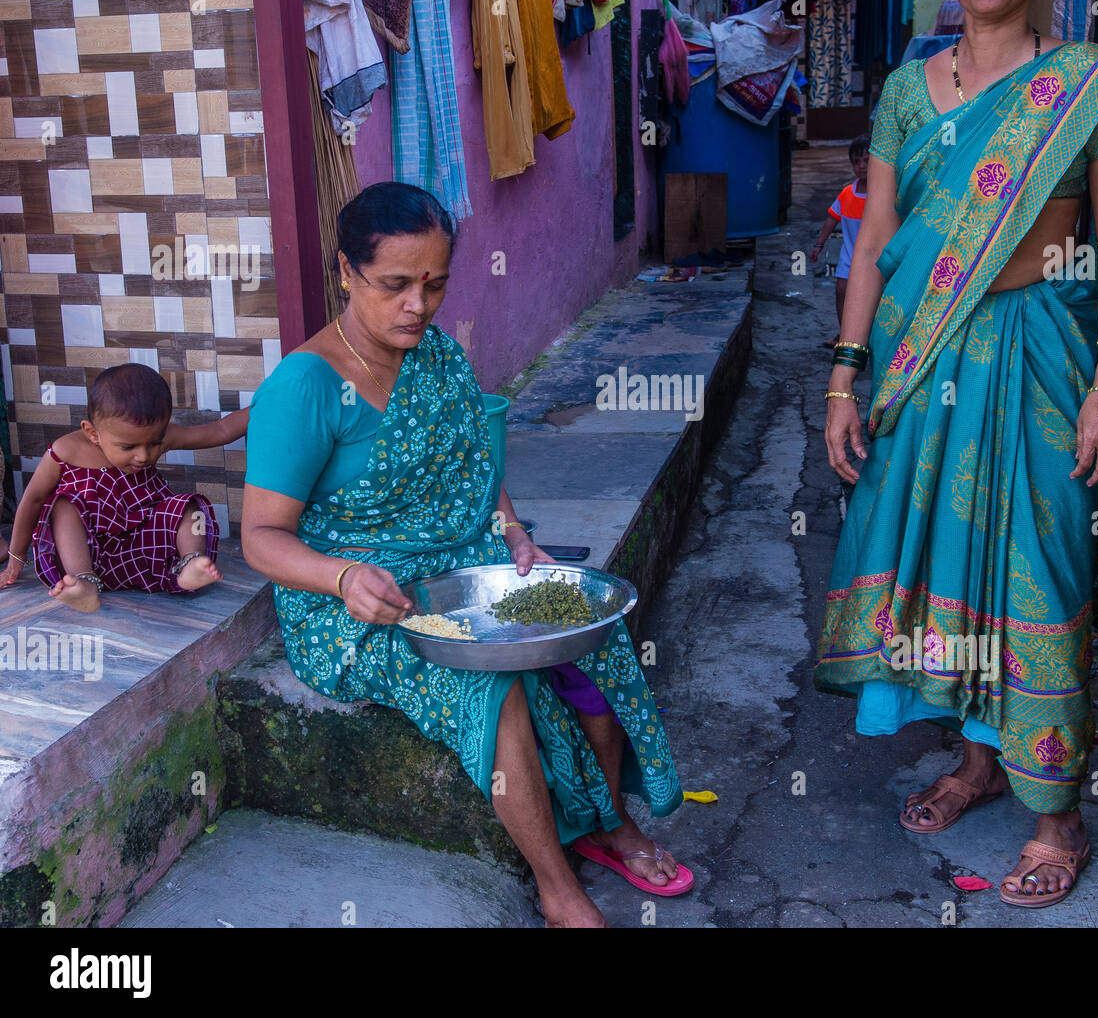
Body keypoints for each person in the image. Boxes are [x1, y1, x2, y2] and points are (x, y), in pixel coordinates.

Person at [815, 0, 1098, 909]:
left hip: (1044, 355)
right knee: (941, 561)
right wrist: (844, 371)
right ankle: (976, 758)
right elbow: (873, 241)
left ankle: (1057, 811)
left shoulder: (1088, 87)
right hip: (923, 362)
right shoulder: (907, 95)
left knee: (1043, 567)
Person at [240, 181, 691, 928]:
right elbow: (260, 536)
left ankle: (611, 825)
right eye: (395, 285)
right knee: (492, 690)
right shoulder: (304, 387)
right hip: (359, 603)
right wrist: (343, 575)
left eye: (435, 282)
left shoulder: (438, 355)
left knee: (596, 640)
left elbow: (470, 467)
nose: (418, 304)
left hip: (467, 566)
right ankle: (557, 887)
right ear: (346, 273)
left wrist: (512, 530)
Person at [0, 364, 242, 611]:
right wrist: (16, 558)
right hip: (90, 555)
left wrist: (266, 404)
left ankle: (189, 563)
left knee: (189, 506)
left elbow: (218, 431)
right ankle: (84, 584)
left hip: (147, 552)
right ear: (92, 433)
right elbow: (32, 500)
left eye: (154, 443)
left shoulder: (156, 438)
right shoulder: (64, 452)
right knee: (62, 506)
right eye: (129, 447)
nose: (144, 456)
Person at [812, 134, 872, 348]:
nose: (861, 166)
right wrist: (819, 244)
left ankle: (871, 338)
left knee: (873, 300)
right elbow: (832, 219)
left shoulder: (881, 193)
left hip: (876, 257)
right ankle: (845, 335)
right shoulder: (847, 194)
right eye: (856, 162)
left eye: (866, 160)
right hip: (849, 256)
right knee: (841, 293)